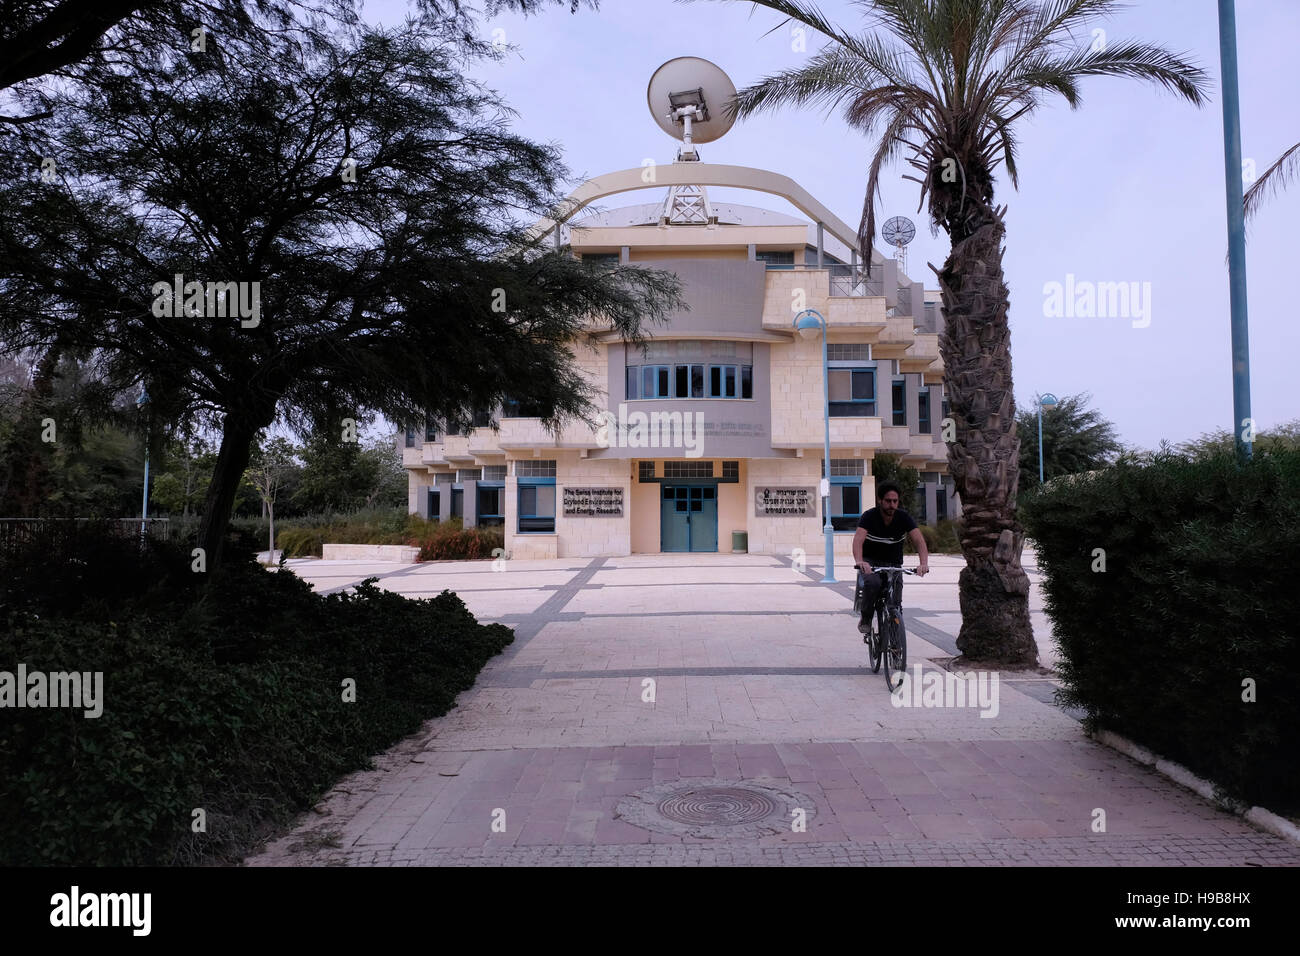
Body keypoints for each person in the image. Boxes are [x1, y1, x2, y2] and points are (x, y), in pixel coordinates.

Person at [852, 480, 929, 635]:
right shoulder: (869, 516)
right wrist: (860, 561)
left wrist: (923, 563)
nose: (892, 505)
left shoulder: (903, 517)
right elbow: (858, 540)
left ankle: (895, 642)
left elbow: (919, 540)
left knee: (895, 602)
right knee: (872, 583)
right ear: (880, 500)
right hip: (871, 562)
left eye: (895, 501)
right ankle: (866, 618)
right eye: (888, 501)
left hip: (893, 564)